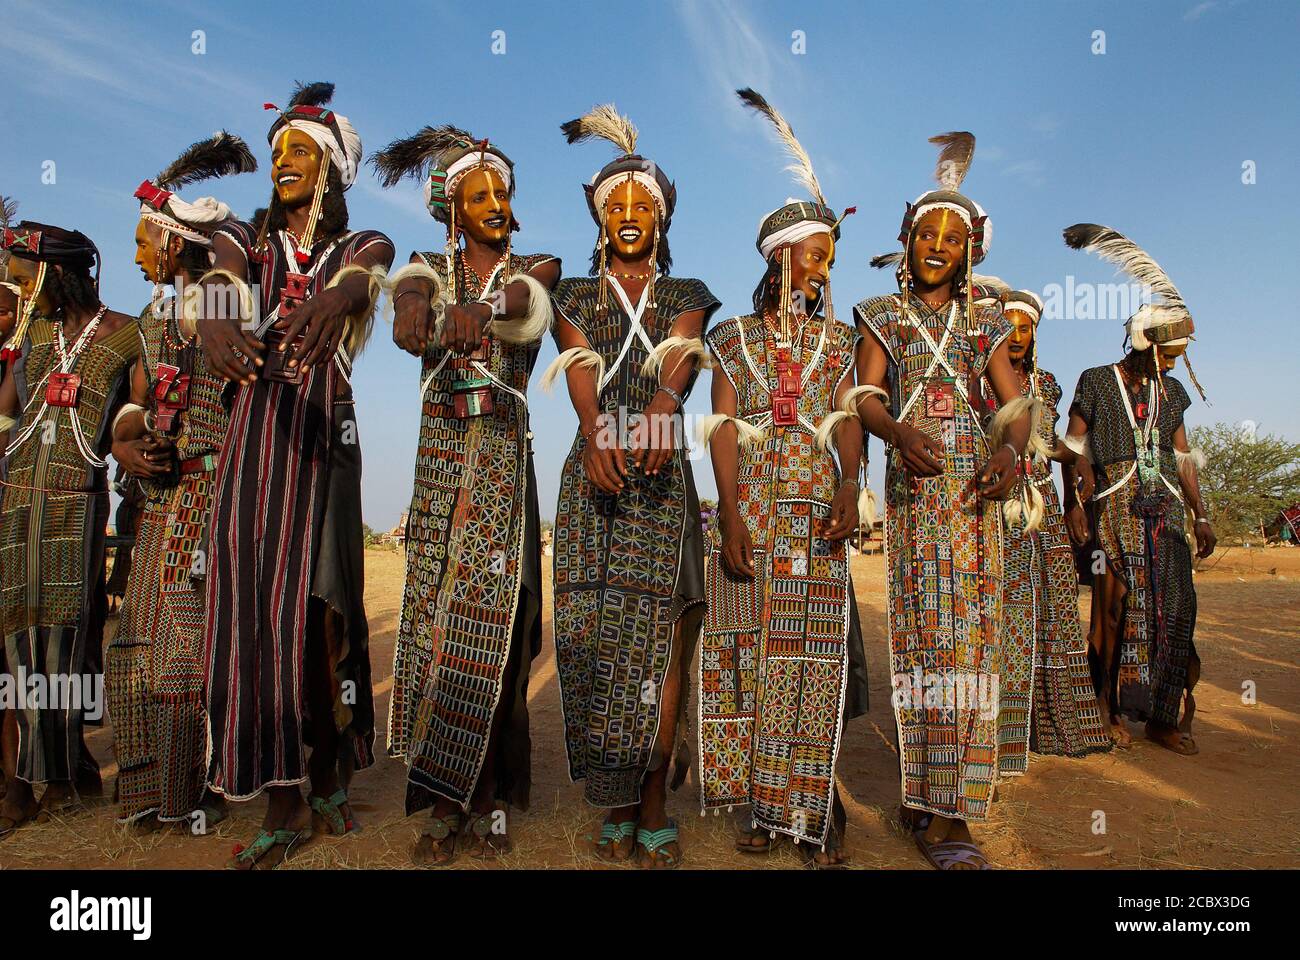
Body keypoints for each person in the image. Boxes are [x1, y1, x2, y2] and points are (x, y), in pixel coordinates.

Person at [195, 82, 393, 868]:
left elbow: (366, 270)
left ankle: (332, 764)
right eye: (277, 152)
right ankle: (282, 796)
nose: (284, 162)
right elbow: (220, 265)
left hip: (328, 438)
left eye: (300, 151)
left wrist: (336, 298)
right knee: (257, 607)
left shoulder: (355, 245)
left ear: (330, 170)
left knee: (326, 615)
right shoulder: (247, 238)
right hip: (258, 436)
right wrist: (215, 306)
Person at [371, 126, 559, 864]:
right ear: (451, 207)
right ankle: (443, 801)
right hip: (440, 461)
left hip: (503, 469)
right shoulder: (425, 266)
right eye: (477, 195)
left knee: (496, 631)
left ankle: (485, 801)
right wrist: (411, 312)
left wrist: (478, 313)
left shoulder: (532, 265)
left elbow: (525, 299)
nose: (494, 204)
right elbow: (406, 302)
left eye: (502, 193)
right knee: (435, 625)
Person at [852, 133, 1034, 869]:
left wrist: (1009, 450)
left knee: (972, 643)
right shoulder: (881, 315)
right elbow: (863, 394)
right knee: (924, 644)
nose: (936, 245)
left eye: (950, 238)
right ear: (906, 241)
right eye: (925, 234)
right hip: (915, 494)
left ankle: (950, 809)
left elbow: (1015, 402)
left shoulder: (989, 321)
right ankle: (928, 802)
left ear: (970, 253)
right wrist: (894, 429)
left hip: (975, 499)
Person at [698, 89, 868, 868]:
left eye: (830, 257)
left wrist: (847, 484)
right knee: (757, 655)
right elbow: (724, 426)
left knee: (813, 658)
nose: (822, 269)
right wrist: (730, 515)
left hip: (816, 512)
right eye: (814, 253)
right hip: (753, 511)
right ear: (779, 258)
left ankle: (813, 810)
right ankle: (768, 810)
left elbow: (850, 416)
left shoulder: (839, 342)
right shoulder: (731, 336)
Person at [546, 104, 719, 868]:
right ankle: (615, 803)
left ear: (661, 217)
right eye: (614, 206)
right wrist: (594, 433)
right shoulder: (575, 298)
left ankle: (652, 806)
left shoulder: (687, 286)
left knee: (661, 649)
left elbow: (681, 351)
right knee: (593, 646)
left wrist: (662, 404)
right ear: (597, 216)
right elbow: (580, 366)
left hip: (660, 473)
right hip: (595, 474)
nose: (627, 217)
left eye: (641, 206)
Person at [105, 132, 256, 829]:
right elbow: (136, 398)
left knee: (186, 654)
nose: (137, 255)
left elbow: (238, 244)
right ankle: (150, 796)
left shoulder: (228, 306)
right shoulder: (151, 318)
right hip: (156, 501)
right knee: (138, 645)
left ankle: (195, 794)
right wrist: (125, 440)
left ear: (172, 244)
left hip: (211, 494)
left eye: (144, 241)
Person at [0, 222, 139, 835]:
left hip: (74, 500)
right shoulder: (34, 332)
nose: (22, 294)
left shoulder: (127, 335)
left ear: (59, 276)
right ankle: (43, 773)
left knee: (62, 641)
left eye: (29, 282)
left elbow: (133, 415)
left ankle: (57, 776)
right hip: (15, 498)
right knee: (16, 642)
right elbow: (7, 409)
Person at [1061, 224, 1215, 755]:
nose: (1173, 362)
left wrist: (1200, 514)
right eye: (1168, 351)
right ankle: (1104, 707)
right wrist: (1074, 505)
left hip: (1164, 508)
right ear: (1145, 342)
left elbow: (1183, 456)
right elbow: (1074, 447)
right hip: (1114, 505)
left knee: (1176, 608)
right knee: (1112, 606)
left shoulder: (1170, 391)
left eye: (1178, 354)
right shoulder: (1097, 380)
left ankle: (1165, 716)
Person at [979, 289, 1111, 770]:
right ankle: (1001, 736)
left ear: (1035, 334)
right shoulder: (980, 378)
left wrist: (1078, 473)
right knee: (1007, 609)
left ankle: (1052, 727)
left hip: (1044, 507)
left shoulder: (1048, 384)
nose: (1016, 334)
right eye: (1008, 323)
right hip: (1000, 502)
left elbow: (1054, 445)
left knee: (1053, 608)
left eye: (1025, 325)